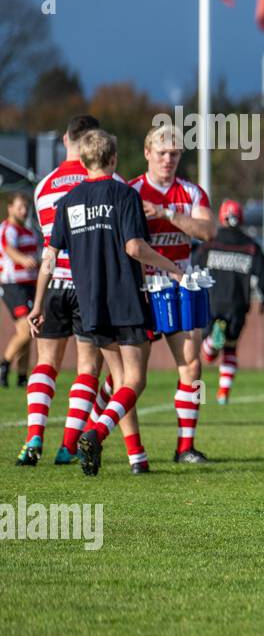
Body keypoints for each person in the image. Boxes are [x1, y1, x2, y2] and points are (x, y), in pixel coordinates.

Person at [30, 129, 184, 476]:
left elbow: (50, 256)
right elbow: (134, 248)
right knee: (135, 381)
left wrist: (38, 303)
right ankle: (96, 432)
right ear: (113, 159)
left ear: (83, 161)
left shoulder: (67, 202)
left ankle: (137, 458)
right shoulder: (124, 194)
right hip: (125, 299)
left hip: (91, 305)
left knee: (117, 379)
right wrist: (172, 267)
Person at [111, 124, 216, 470]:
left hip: (180, 285)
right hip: (140, 288)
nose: (168, 159)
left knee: (192, 364)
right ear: (147, 153)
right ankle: (105, 432)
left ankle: (186, 445)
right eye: (161, 153)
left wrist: (168, 213)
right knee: (124, 375)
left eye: (174, 154)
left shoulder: (191, 192)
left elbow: (207, 231)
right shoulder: (130, 191)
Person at [18, 114, 105, 466]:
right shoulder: (97, 180)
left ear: (66, 140)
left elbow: (48, 245)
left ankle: (33, 437)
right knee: (88, 367)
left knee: (45, 363)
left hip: (52, 282)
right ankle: (68, 445)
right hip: (88, 285)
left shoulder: (43, 187)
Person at [194, 200, 264, 404]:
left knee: (207, 354)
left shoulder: (210, 242)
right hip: (237, 303)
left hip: (211, 301)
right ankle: (223, 392)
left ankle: (212, 342)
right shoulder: (250, 246)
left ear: (221, 217)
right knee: (231, 347)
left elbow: (194, 265)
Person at [0, 193, 40, 388]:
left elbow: (37, 256)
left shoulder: (30, 231)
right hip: (13, 285)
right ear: (10, 208)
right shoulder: (7, 228)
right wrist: (24, 260)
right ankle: (4, 365)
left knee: (30, 331)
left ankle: (22, 377)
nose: (23, 211)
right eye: (19, 207)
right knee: (25, 330)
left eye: (26, 207)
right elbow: (8, 249)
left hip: (30, 286)